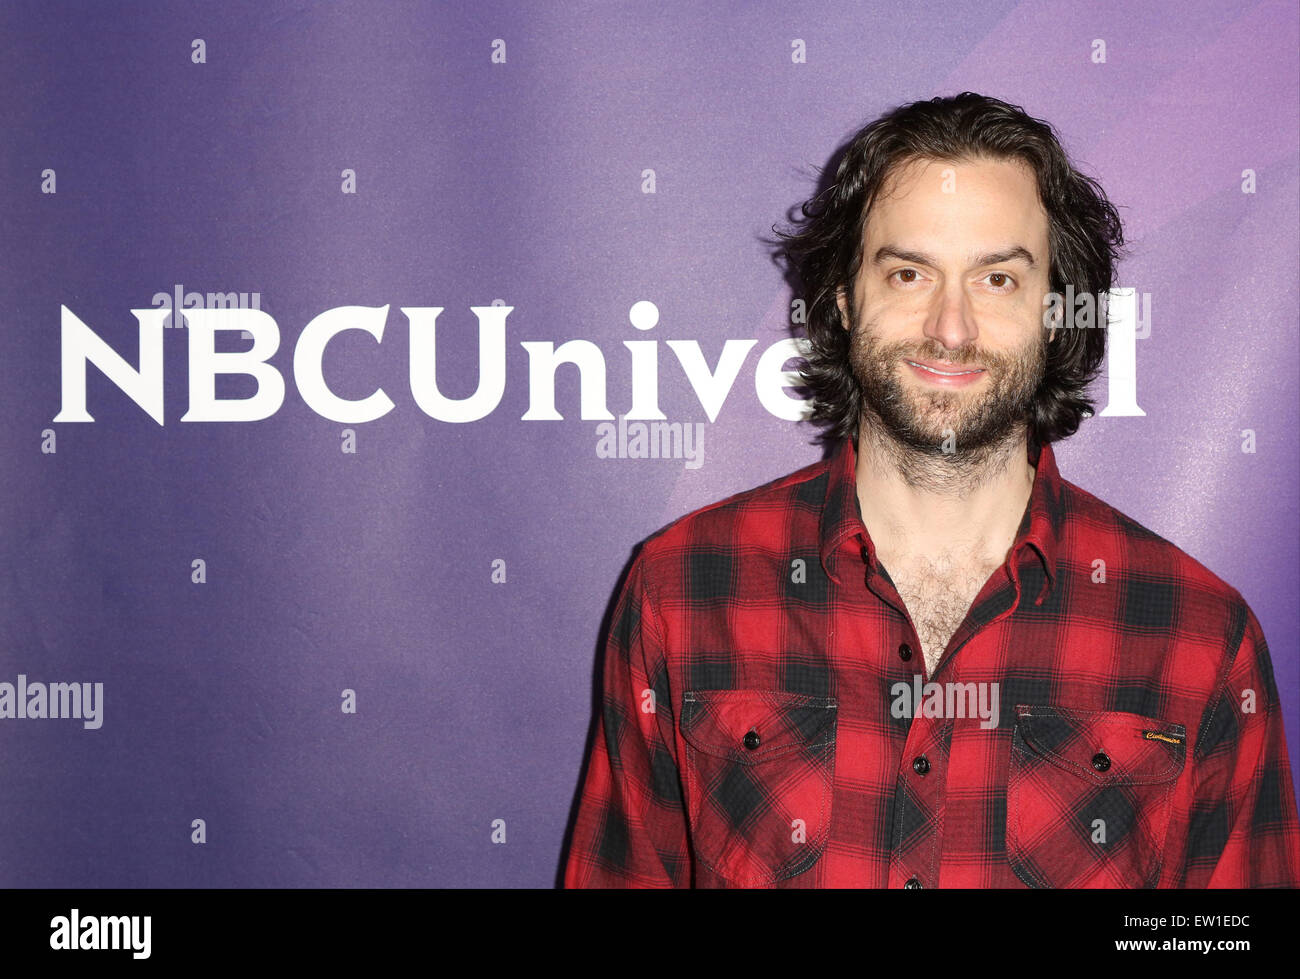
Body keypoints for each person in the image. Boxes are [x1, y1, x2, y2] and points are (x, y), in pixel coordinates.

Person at [563, 92, 1300, 888]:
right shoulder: (684, 588)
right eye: (909, 272)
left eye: (997, 279)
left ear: (1058, 311)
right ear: (844, 301)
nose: (951, 327)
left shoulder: (1197, 633)